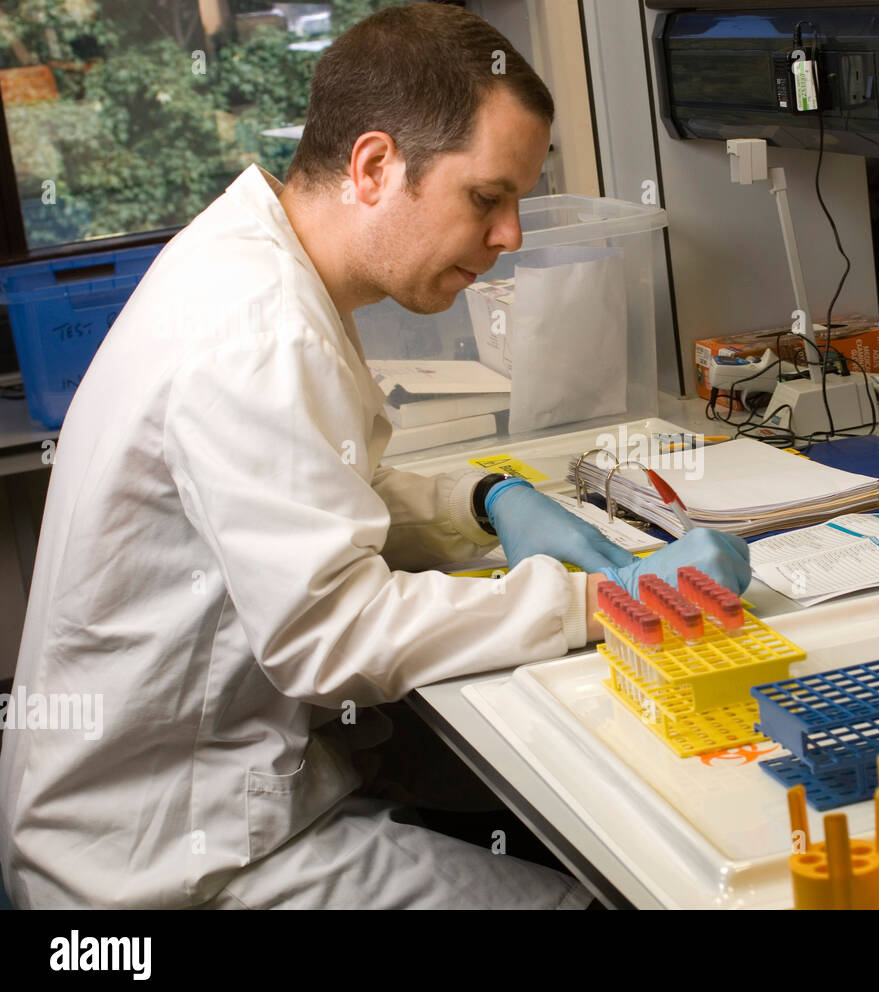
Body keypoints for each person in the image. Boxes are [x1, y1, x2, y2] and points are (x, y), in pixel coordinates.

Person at [0, 3, 749, 909]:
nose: (511, 235)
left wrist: (483, 502)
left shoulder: (260, 260)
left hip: (202, 806)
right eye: (487, 197)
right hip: (172, 868)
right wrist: (603, 601)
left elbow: (310, 487)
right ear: (374, 166)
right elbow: (333, 635)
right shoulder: (259, 331)